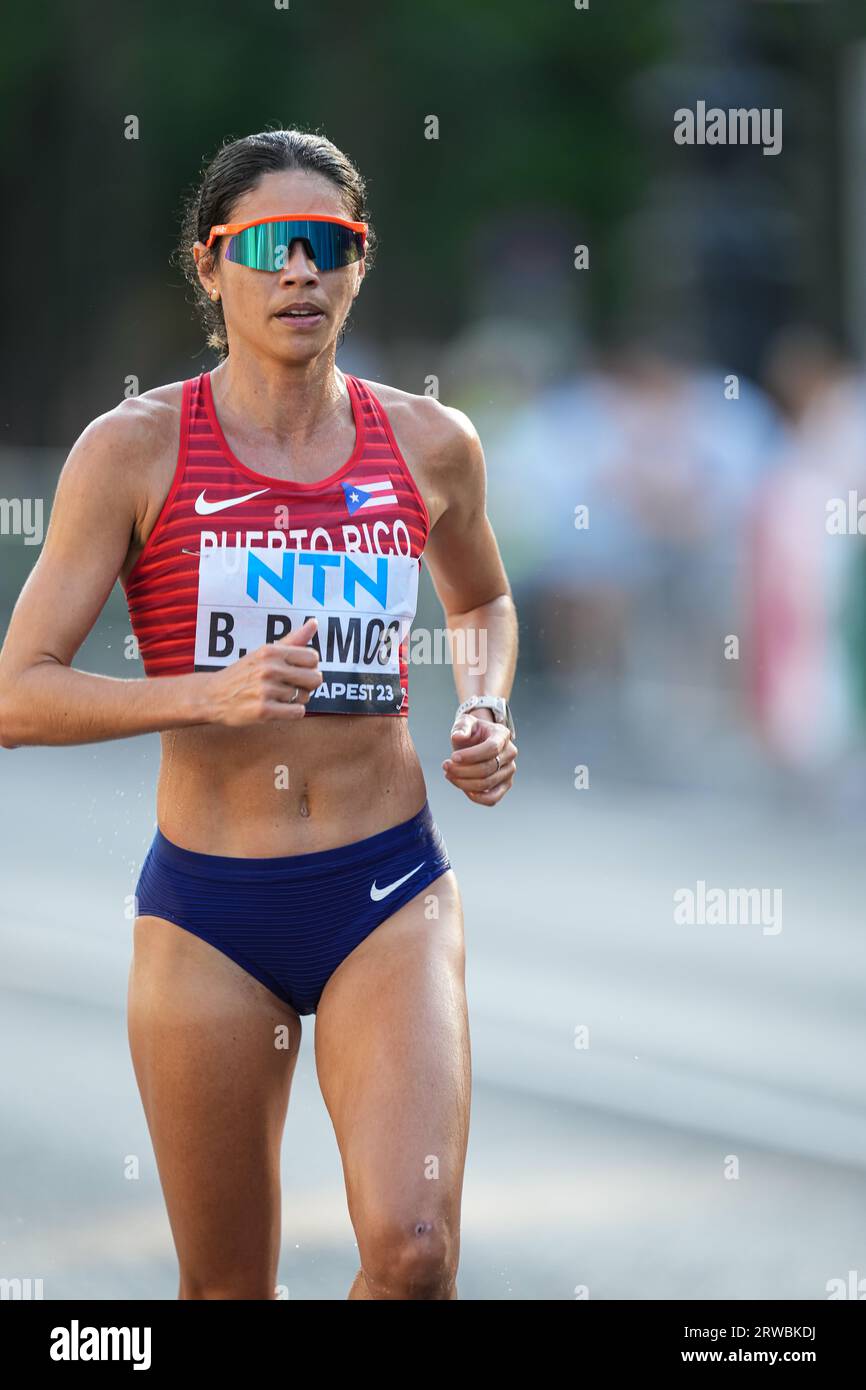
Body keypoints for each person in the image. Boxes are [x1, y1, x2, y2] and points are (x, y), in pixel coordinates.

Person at [0, 128, 518, 1300]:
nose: (301, 271)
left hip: (386, 887)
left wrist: (483, 703)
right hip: (208, 909)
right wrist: (206, 694)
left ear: (357, 263)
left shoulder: (430, 444)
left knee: (414, 1251)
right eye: (271, 246)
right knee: (227, 1287)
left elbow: (480, 597)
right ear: (211, 265)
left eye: (328, 245)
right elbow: (17, 693)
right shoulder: (132, 449)